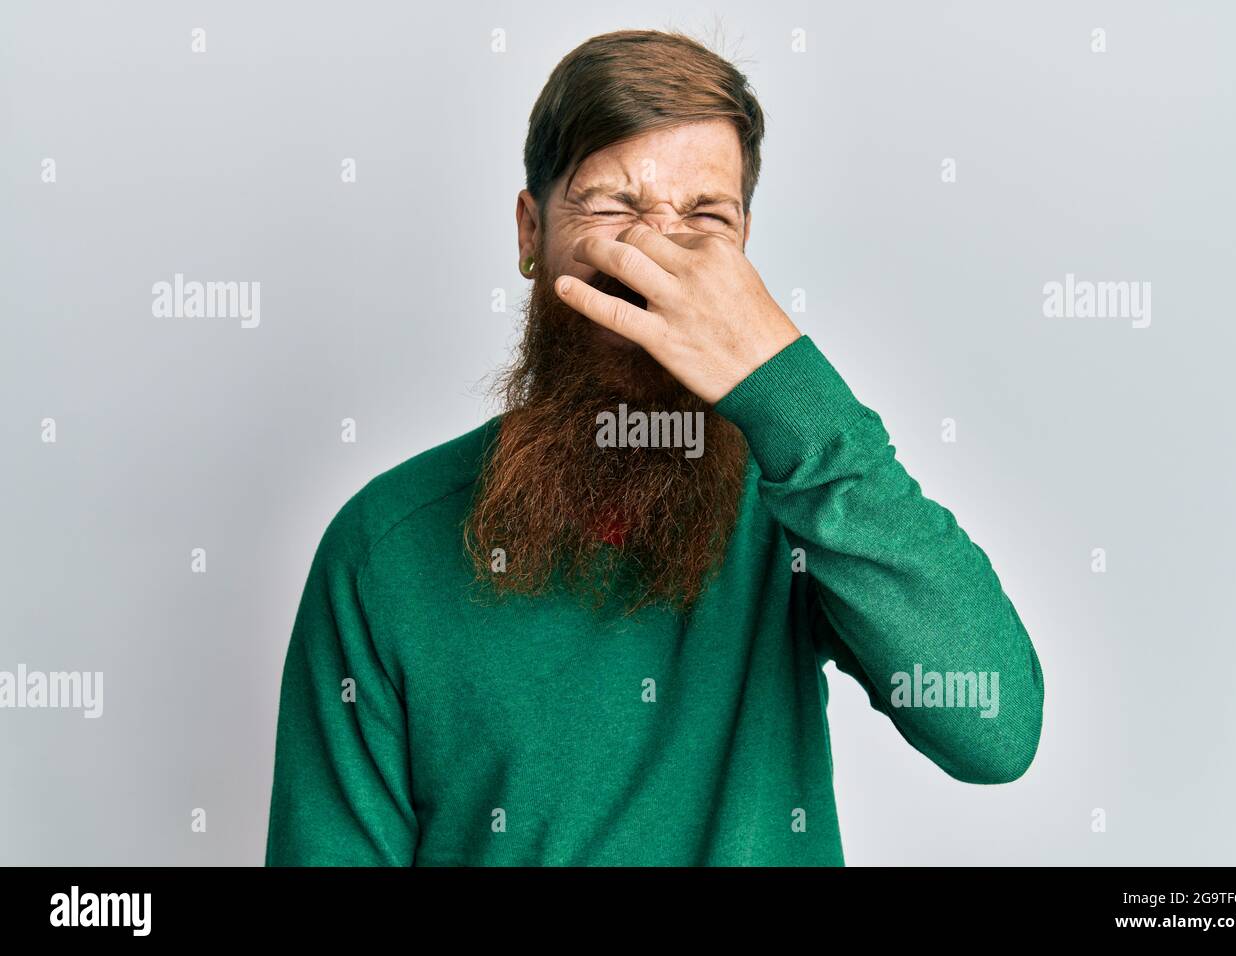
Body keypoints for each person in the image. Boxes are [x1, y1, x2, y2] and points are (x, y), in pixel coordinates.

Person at [266, 29, 1044, 866]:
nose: (649, 255)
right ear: (530, 232)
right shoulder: (384, 549)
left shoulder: (800, 500)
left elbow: (994, 730)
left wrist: (787, 388)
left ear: (744, 247)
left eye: (705, 217)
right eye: (611, 207)